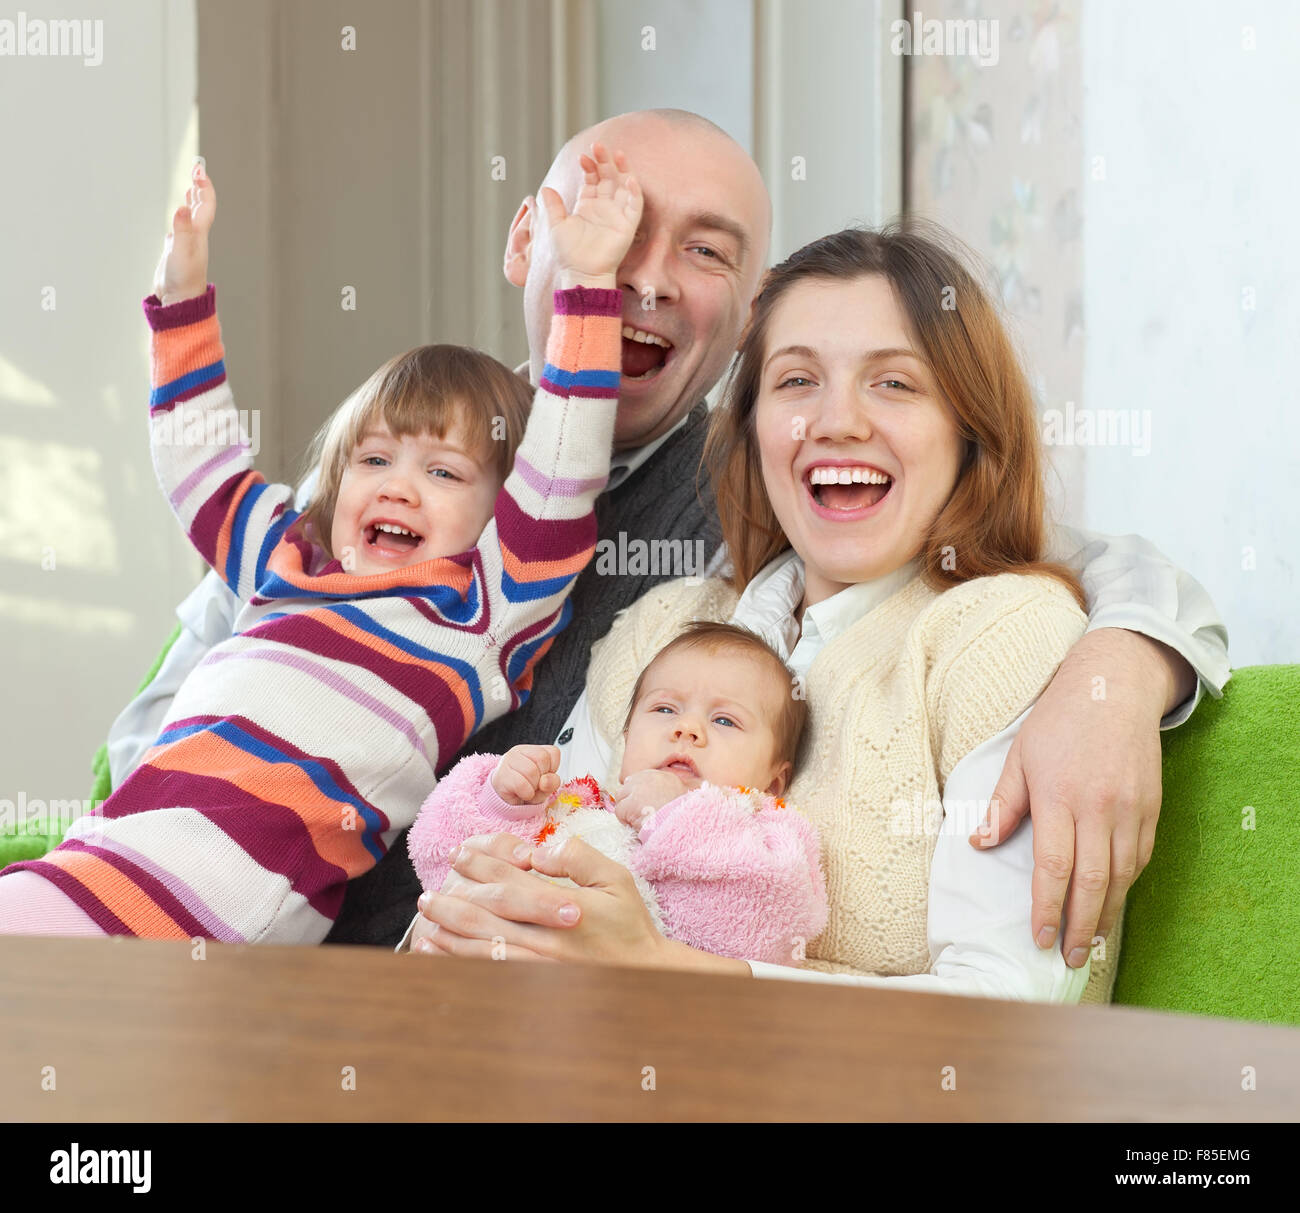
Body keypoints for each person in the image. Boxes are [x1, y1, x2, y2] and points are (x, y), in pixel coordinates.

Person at [101, 109, 1228, 966]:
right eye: (614, 224)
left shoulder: (760, 490)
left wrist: (1117, 674)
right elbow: (179, 700)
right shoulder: (392, 467)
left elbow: (1020, 540)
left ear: (743, 315)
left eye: (704, 250)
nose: (638, 275)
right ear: (524, 240)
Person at [405, 223, 1112, 1000]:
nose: (836, 421)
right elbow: (541, 851)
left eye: (895, 383)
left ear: (969, 428)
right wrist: (456, 928)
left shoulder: (1002, 635)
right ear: (750, 427)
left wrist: (661, 970)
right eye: (797, 381)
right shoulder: (663, 626)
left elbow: (1014, 1012)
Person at [0, 145, 642, 941]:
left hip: (219, 908)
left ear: (498, 512)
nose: (396, 485)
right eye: (374, 459)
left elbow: (562, 469)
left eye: (442, 471)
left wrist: (585, 286)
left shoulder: (477, 613)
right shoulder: (285, 565)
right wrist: (182, 296)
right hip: (101, 859)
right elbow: (199, 461)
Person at [406, 621, 826, 966]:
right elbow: (441, 861)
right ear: (626, 741)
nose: (686, 729)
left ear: (773, 783)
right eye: (665, 709)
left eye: (725, 721)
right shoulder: (580, 805)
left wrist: (672, 817)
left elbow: (761, 933)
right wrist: (504, 801)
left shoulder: (767, 840)